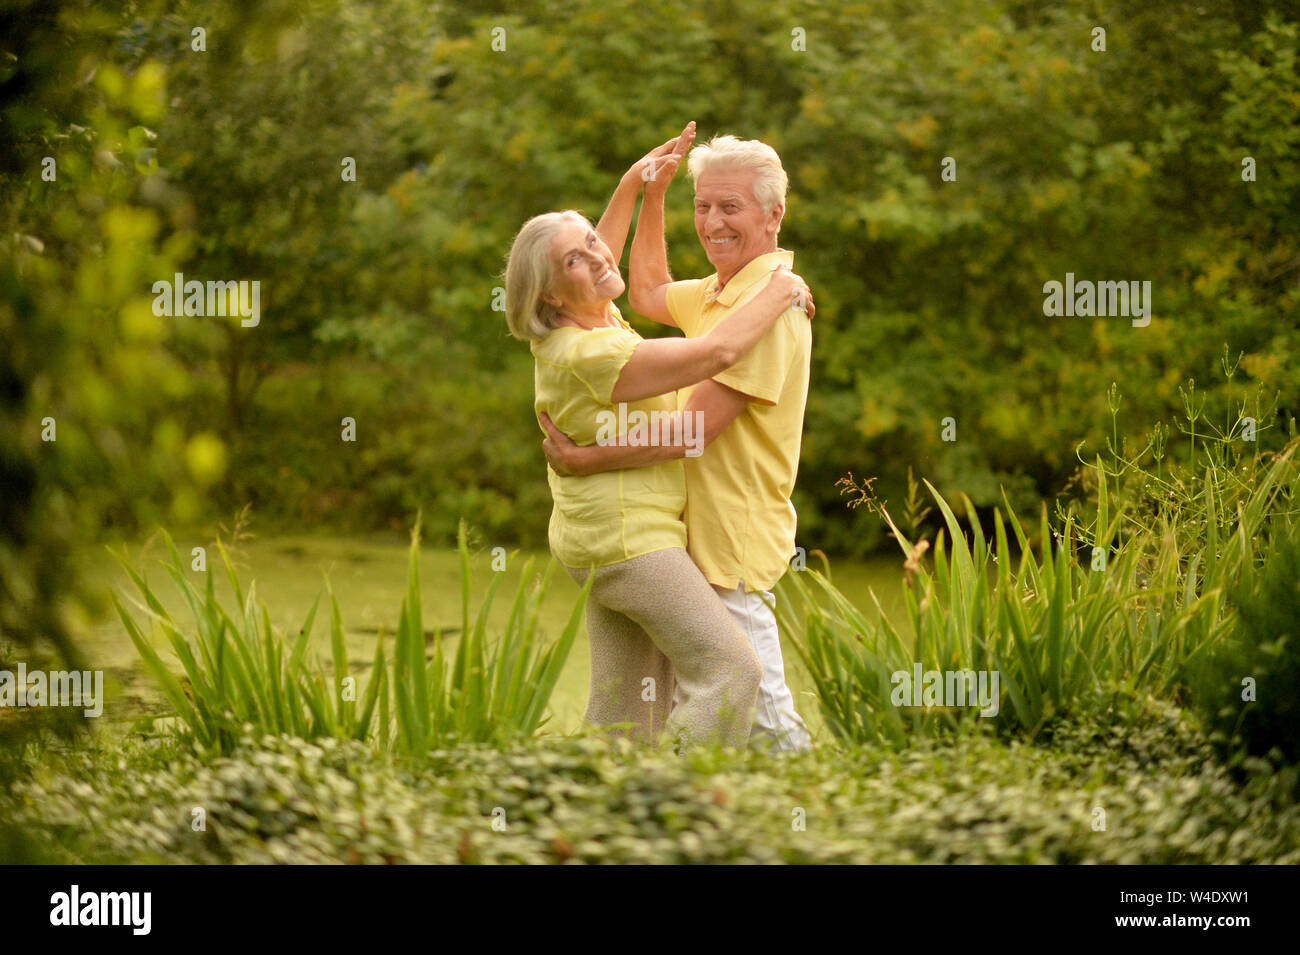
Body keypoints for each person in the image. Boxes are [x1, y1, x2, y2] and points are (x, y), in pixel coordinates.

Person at [503, 123, 813, 749]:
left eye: (730, 206)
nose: (712, 222)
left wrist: (641, 188)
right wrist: (651, 194)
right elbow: (657, 302)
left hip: (719, 538)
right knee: (727, 687)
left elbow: (623, 281)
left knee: (644, 709)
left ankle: (610, 796)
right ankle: (668, 797)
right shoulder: (630, 328)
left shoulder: (759, 313)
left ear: (774, 215)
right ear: (553, 294)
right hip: (643, 538)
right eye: (704, 206)